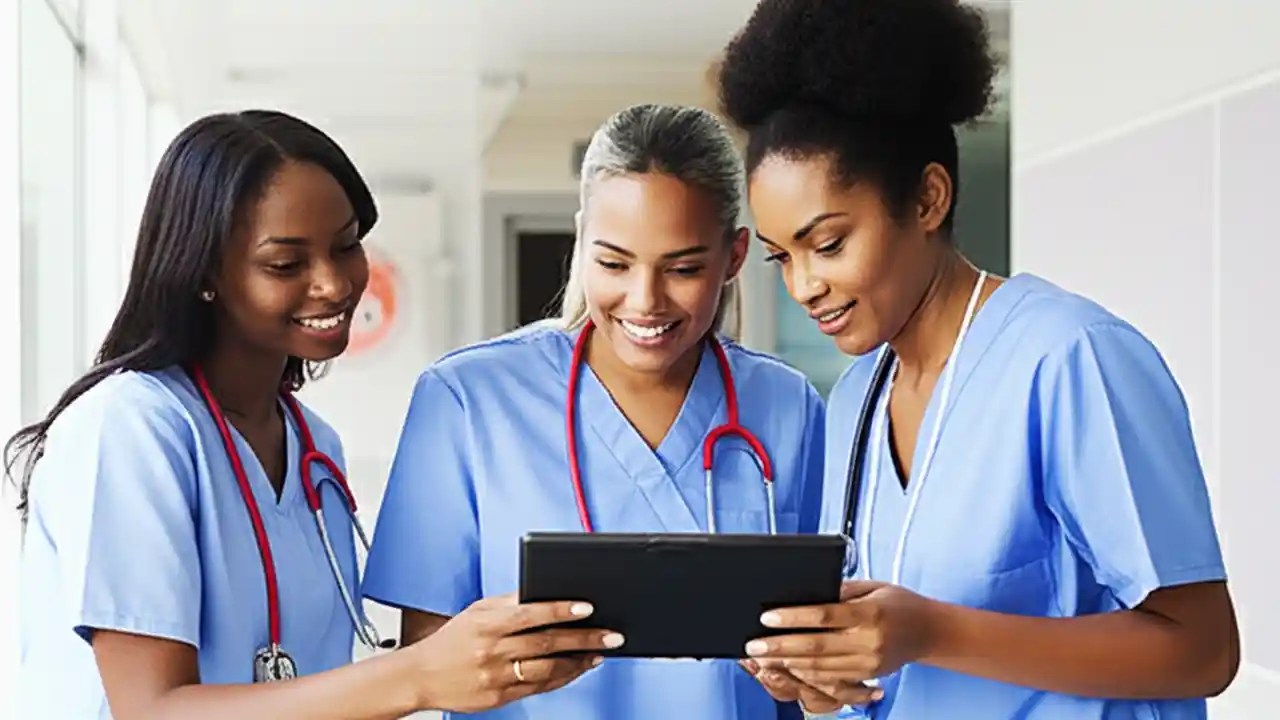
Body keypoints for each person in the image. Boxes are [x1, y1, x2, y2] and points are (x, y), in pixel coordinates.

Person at [712, 1, 1240, 718]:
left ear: (928, 198)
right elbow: (883, 670)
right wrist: (820, 675)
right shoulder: (855, 401)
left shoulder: (1070, 360)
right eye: (782, 257)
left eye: (829, 244)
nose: (805, 286)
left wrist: (930, 631)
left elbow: (1203, 649)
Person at [6, 110, 615, 720]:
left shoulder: (313, 446)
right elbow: (153, 710)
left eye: (347, 246)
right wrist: (421, 675)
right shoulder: (133, 425)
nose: (335, 283)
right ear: (205, 273)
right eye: (285, 264)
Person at [359, 103, 826, 720]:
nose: (645, 300)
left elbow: (832, 663)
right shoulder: (468, 400)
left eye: (683, 268)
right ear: (581, 240)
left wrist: (808, 676)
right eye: (613, 263)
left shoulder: (789, 409)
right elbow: (428, 667)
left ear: (735, 255)